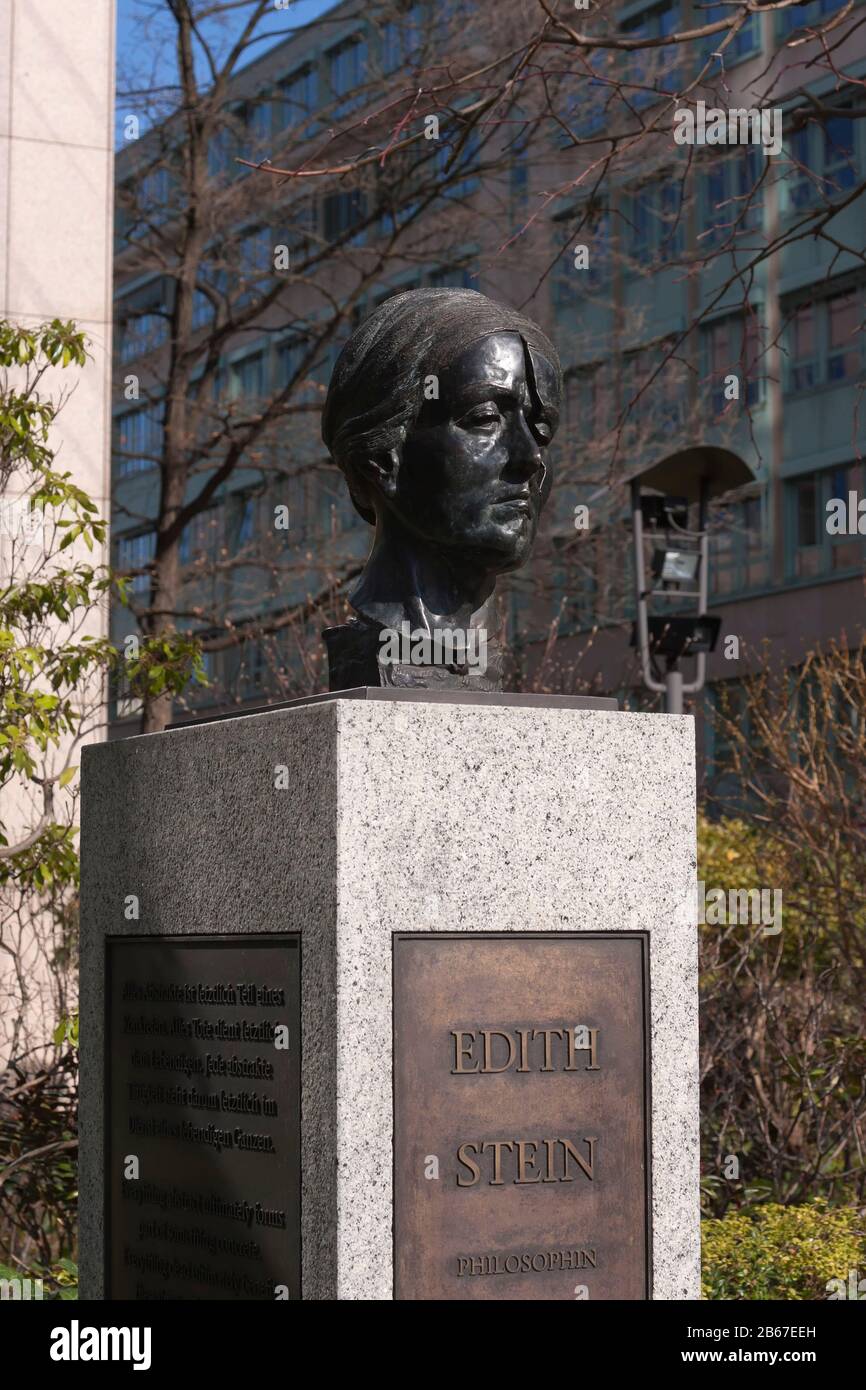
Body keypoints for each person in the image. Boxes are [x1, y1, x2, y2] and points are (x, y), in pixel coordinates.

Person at [321, 288, 562, 691]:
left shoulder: (485, 651)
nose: (530, 456)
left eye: (541, 431)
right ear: (381, 459)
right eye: (485, 418)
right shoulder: (370, 653)